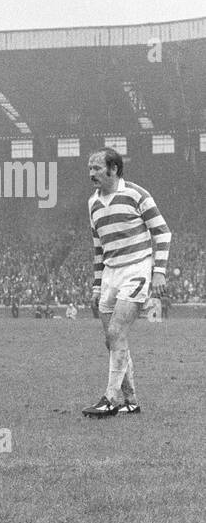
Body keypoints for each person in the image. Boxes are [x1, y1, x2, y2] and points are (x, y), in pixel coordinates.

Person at [81, 148, 171, 417]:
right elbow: (99, 248)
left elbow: (163, 233)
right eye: (89, 168)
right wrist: (97, 286)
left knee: (117, 332)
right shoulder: (93, 203)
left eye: (97, 168)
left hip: (136, 270)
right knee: (112, 340)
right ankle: (131, 402)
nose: (91, 173)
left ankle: (110, 398)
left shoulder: (136, 194)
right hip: (110, 274)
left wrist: (159, 271)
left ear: (114, 169)